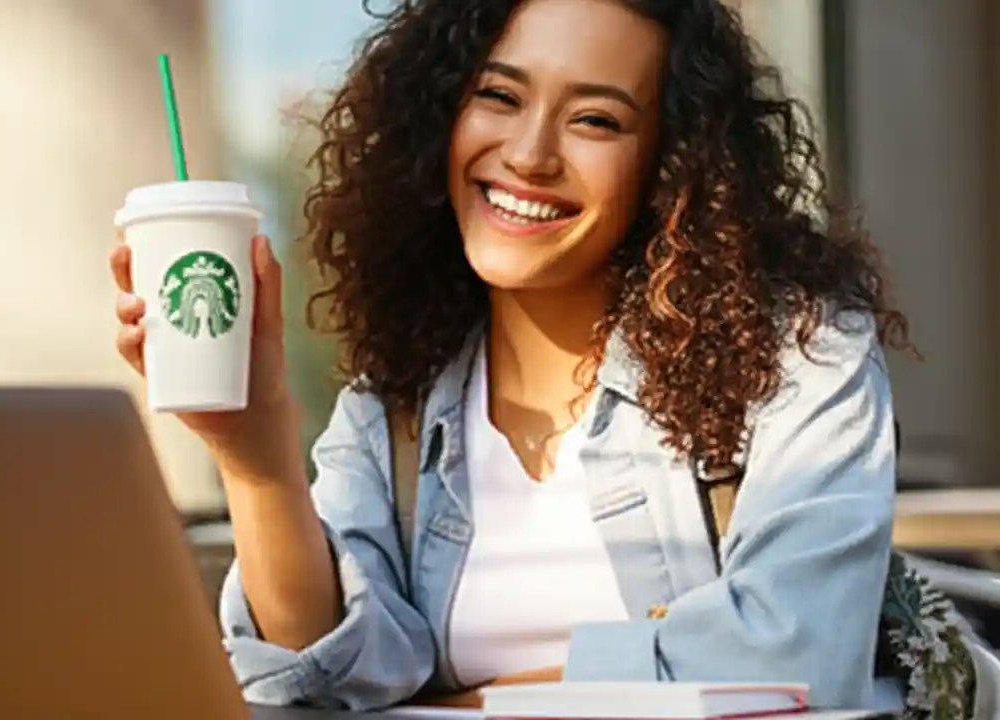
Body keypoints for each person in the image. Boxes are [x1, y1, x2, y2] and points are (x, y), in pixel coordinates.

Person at [111, 0, 911, 712]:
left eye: (595, 120)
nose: (529, 154)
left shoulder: (800, 357)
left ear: (670, 164)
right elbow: (325, 678)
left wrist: (466, 705)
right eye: (499, 96)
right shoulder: (396, 404)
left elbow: (793, 660)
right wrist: (254, 458)